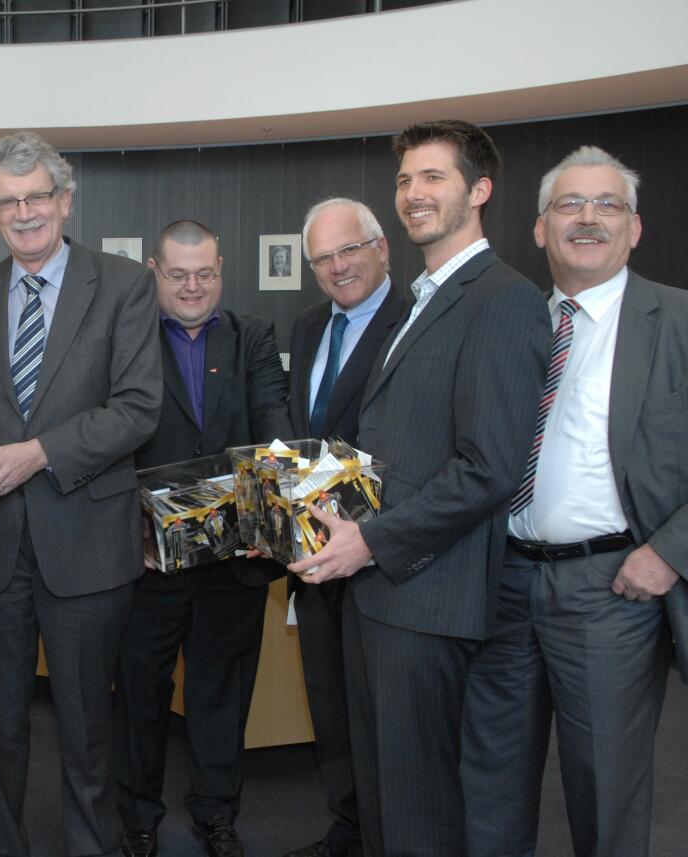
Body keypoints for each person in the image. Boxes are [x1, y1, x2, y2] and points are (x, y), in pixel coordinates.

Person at [284, 120, 550, 857]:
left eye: (434, 177)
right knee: (383, 801)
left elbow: (488, 467)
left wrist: (369, 541)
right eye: (404, 180)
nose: (413, 192)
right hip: (382, 594)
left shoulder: (502, 298)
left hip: (427, 596)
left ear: (480, 190)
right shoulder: (428, 298)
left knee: (416, 810)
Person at [460, 145, 688, 857]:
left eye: (607, 204)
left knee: (604, 790)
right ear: (539, 228)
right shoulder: (513, 321)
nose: (588, 218)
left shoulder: (678, 320)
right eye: (569, 204)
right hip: (503, 582)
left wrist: (670, 552)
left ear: (635, 227)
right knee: (490, 780)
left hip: (611, 590)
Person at [0, 130, 162, 857]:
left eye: (37, 196)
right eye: (8, 202)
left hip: (87, 545)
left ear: (65, 200)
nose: (25, 212)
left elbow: (138, 409)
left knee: (87, 731)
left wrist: (38, 454)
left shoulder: (123, 284)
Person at [112, 220, 291, 857]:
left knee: (221, 694)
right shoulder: (126, 337)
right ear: (154, 272)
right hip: (146, 561)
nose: (193, 286)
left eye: (206, 274)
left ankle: (217, 813)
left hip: (233, 559)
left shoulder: (253, 337)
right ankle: (137, 816)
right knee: (140, 695)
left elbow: (273, 426)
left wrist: (268, 518)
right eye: (179, 274)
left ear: (221, 271)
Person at [280, 198, 408, 857]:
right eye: (323, 258)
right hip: (316, 555)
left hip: (384, 555)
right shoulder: (308, 326)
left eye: (349, 250)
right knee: (330, 707)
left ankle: (385, 836)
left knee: (384, 719)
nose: (337, 267)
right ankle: (348, 828)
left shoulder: (415, 319)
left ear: (381, 248)